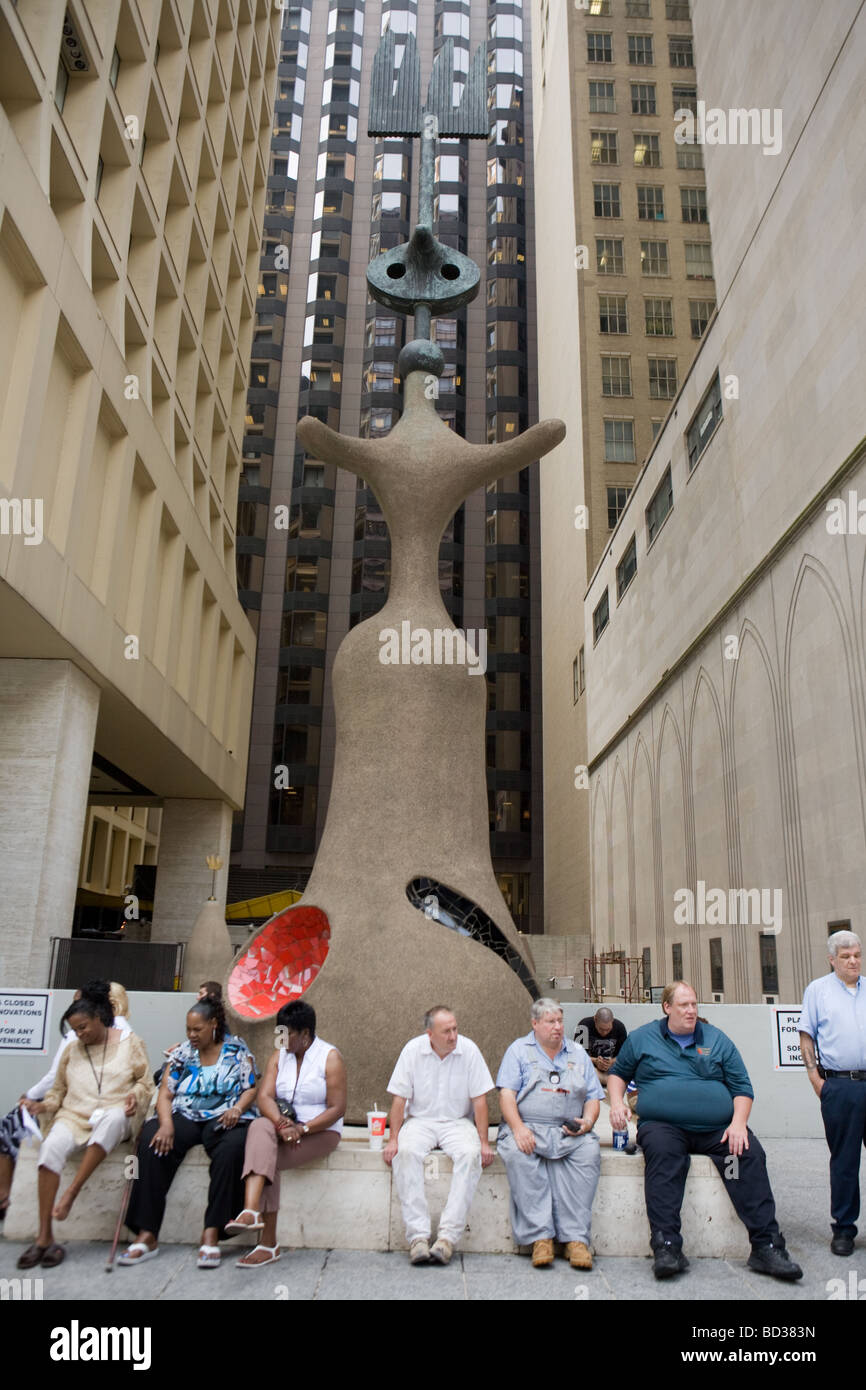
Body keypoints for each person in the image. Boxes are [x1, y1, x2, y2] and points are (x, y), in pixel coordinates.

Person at [608, 981, 802, 1281]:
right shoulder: (642, 1038)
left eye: (694, 1004)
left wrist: (738, 1124)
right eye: (684, 1005)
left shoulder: (716, 1039)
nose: (691, 1011)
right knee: (665, 1158)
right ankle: (667, 1246)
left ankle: (766, 1246)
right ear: (667, 1007)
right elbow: (618, 1074)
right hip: (664, 1127)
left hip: (717, 1131)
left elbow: (742, 1088)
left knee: (744, 1157)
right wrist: (616, 1103)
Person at [15, 982, 151, 1270]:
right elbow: (57, 1091)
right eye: (75, 1030)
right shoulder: (72, 1049)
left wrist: (134, 1095)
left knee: (113, 1120)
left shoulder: (131, 1043)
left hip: (115, 1112)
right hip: (74, 1115)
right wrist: (42, 1106)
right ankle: (44, 1237)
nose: (79, 1034)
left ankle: (71, 1193)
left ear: (99, 1018)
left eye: (83, 1027)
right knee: (50, 1150)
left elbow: (144, 1082)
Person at [119, 993, 258, 1269]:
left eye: (198, 1029)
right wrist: (166, 1124)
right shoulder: (182, 1053)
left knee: (232, 1148)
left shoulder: (237, 1050)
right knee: (151, 1141)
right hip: (185, 1113)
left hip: (225, 1115)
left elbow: (250, 1088)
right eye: (188, 1029)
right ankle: (147, 1234)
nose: (192, 1035)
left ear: (214, 1024)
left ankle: (212, 1232)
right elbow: (165, 1093)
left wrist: (237, 1109)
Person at [225, 1000, 347, 1267]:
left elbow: (337, 1108)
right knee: (259, 1126)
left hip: (320, 1131)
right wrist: (281, 1124)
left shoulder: (330, 1057)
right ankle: (250, 1211)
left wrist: (302, 1128)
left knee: (268, 1159)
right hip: (283, 1126)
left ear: (305, 1034)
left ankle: (268, 1244)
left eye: (286, 1033)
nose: (280, 1038)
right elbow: (265, 1097)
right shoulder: (279, 1055)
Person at [0, 981, 132, 1219]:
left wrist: (29, 1096)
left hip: (80, 1107)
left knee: (8, 1126)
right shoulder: (123, 1028)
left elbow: (55, 1078)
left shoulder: (79, 1033)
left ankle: (4, 1196)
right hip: (96, 1108)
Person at [383, 1005, 495, 1265]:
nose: (453, 1036)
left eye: (455, 1029)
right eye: (446, 1031)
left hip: (457, 1122)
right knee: (405, 1153)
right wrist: (393, 1139)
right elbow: (399, 1099)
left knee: (470, 1155)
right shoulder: (412, 1050)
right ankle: (418, 1237)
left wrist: (484, 1142)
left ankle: (447, 1238)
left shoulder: (469, 1050)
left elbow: (480, 1100)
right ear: (430, 1034)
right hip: (420, 1121)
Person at [497, 998, 603, 1268]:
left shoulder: (578, 1053)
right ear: (535, 1024)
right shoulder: (518, 1051)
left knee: (589, 1152)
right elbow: (506, 1096)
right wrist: (518, 1128)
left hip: (570, 1132)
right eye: (550, 1022)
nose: (557, 1027)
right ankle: (540, 1237)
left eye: (560, 1021)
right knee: (518, 1154)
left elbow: (593, 1097)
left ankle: (575, 1239)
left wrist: (587, 1122)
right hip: (529, 1126)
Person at [798, 929, 866, 1256]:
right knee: (844, 1161)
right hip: (839, 1087)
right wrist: (816, 1080)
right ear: (832, 959)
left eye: (857, 955)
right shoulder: (818, 991)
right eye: (845, 956)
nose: (853, 961)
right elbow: (806, 1036)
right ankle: (844, 1228)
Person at [575, 1007, 628, 1088]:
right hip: (592, 1067)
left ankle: (603, 1080)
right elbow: (578, 1055)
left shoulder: (619, 1027)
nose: (604, 1033)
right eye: (601, 1029)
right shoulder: (584, 1026)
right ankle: (611, 1081)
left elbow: (624, 1055)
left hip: (612, 1068)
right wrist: (595, 1061)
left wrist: (611, 1062)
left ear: (612, 1021)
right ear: (595, 1020)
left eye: (608, 1029)